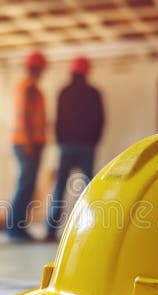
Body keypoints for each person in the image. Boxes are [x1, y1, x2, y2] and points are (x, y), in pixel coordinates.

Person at [45, 56, 105, 241]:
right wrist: (93, 142)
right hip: (87, 146)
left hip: (67, 146)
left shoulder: (64, 92)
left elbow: (58, 121)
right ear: (87, 72)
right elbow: (101, 121)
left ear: (71, 71)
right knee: (88, 189)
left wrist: (61, 141)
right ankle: (90, 230)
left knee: (60, 187)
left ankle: (50, 232)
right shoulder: (94, 93)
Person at [7, 50, 48, 242]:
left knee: (28, 186)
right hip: (27, 143)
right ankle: (15, 228)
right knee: (25, 186)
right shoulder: (28, 88)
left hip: (31, 142)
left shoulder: (33, 88)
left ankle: (17, 227)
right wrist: (29, 143)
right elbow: (23, 116)